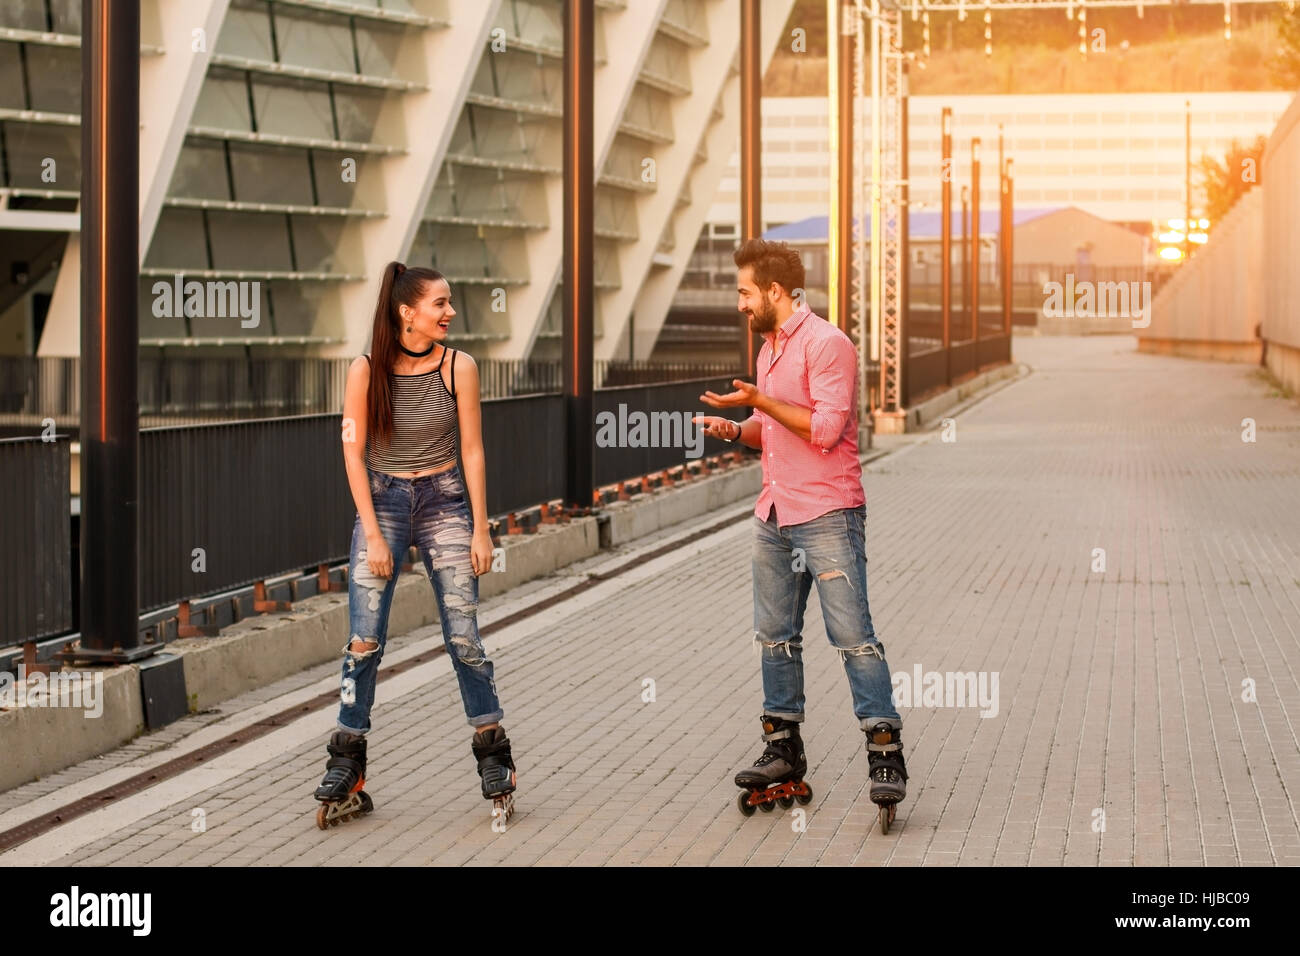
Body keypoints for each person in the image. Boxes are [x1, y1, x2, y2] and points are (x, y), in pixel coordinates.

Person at [695, 238, 908, 831]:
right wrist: (735, 430)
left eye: (744, 291)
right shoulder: (767, 352)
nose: (739, 303)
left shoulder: (828, 344)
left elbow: (825, 429)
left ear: (774, 291)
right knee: (774, 636)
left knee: (853, 636)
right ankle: (782, 747)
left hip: (827, 513)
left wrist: (761, 399)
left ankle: (885, 753)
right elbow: (770, 431)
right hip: (774, 514)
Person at [312, 260, 515, 826]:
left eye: (449, 304)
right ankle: (348, 759)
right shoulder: (365, 370)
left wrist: (480, 526)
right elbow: (351, 451)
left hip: (446, 500)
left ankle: (494, 753)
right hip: (384, 503)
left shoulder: (460, 367)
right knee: (364, 639)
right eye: (440, 304)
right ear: (408, 312)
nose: (450, 313)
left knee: (464, 635)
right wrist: (374, 533)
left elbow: (472, 449)